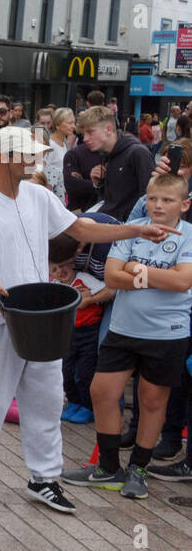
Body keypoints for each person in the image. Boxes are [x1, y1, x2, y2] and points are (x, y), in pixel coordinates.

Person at [0, 127, 174, 513]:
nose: (37, 160)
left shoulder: (39, 195)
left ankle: (43, 479)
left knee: (46, 402)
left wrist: (136, 229)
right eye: (29, 155)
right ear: (7, 158)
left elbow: (81, 228)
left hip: (40, 318)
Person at [61, 173, 192, 499]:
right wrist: (154, 276)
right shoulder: (132, 231)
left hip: (167, 333)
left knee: (151, 401)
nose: (158, 205)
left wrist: (137, 270)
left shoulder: (189, 236)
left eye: (167, 200)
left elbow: (182, 282)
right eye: (152, 199)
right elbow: (112, 277)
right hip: (123, 329)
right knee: (102, 392)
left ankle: (138, 469)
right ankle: (107, 468)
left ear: (184, 205)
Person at [48, 233, 112, 425]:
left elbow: (107, 290)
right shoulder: (55, 286)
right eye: (55, 269)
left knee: (85, 373)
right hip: (68, 334)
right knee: (66, 371)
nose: (61, 271)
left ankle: (88, 406)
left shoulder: (84, 278)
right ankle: (74, 402)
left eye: (63, 266)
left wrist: (90, 299)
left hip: (89, 332)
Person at [75, 106, 158, 220]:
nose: (85, 139)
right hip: (111, 220)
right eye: (84, 134)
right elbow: (112, 197)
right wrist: (98, 184)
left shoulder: (137, 153)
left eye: (90, 132)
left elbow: (150, 197)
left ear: (108, 129)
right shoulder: (106, 154)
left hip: (126, 227)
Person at [43, 108, 74, 204]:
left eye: (73, 122)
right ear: (57, 125)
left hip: (63, 191)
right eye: (69, 123)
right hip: (52, 194)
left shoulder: (64, 143)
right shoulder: (50, 145)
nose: (73, 126)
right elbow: (43, 169)